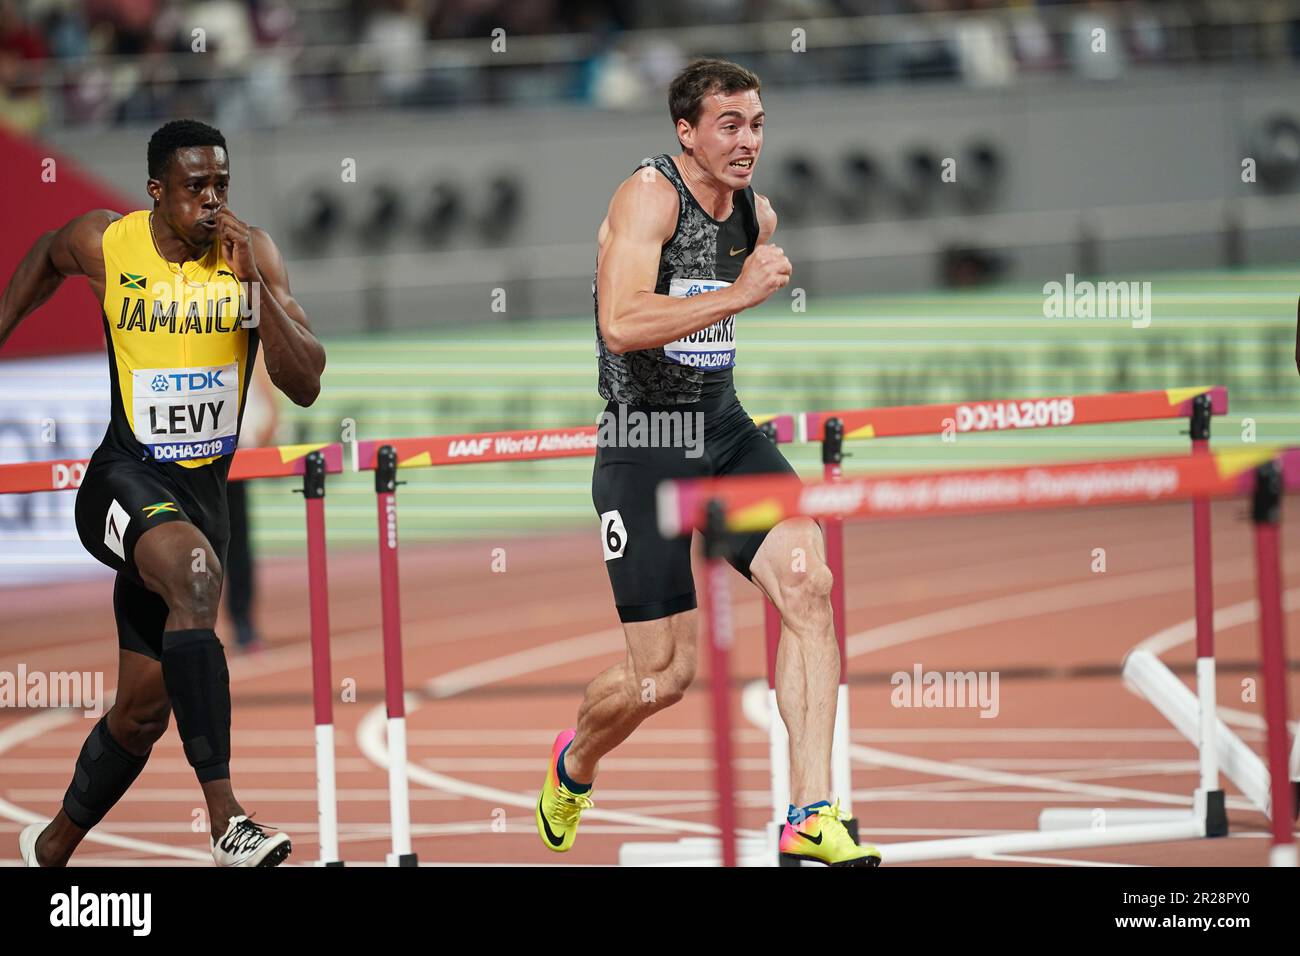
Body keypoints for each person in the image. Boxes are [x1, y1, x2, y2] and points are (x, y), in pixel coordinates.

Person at [536, 59, 880, 866]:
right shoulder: (648, 195)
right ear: (686, 132)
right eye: (730, 124)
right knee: (661, 676)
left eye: (757, 123)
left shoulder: (755, 213)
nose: (748, 140)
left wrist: (742, 285)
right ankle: (574, 763)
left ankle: (811, 812)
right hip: (645, 443)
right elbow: (620, 322)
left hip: (724, 433)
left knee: (808, 583)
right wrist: (741, 292)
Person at [0, 118, 326, 867]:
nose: (212, 202)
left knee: (141, 712)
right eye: (195, 188)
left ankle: (48, 849)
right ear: (157, 192)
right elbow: (45, 258)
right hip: (120, 482)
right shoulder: (109, 243)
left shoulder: (252, 256)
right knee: (198, 576)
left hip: (199, 505)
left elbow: (305, 383)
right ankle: (226, 821)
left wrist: (256, 294)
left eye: (222, 186)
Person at [224, 351, 278, 652]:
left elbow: (269, 397)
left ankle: (243, 622)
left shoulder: (245, 336)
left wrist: (270, 418)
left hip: (235, 455)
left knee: (237, 542)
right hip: (188, 453)